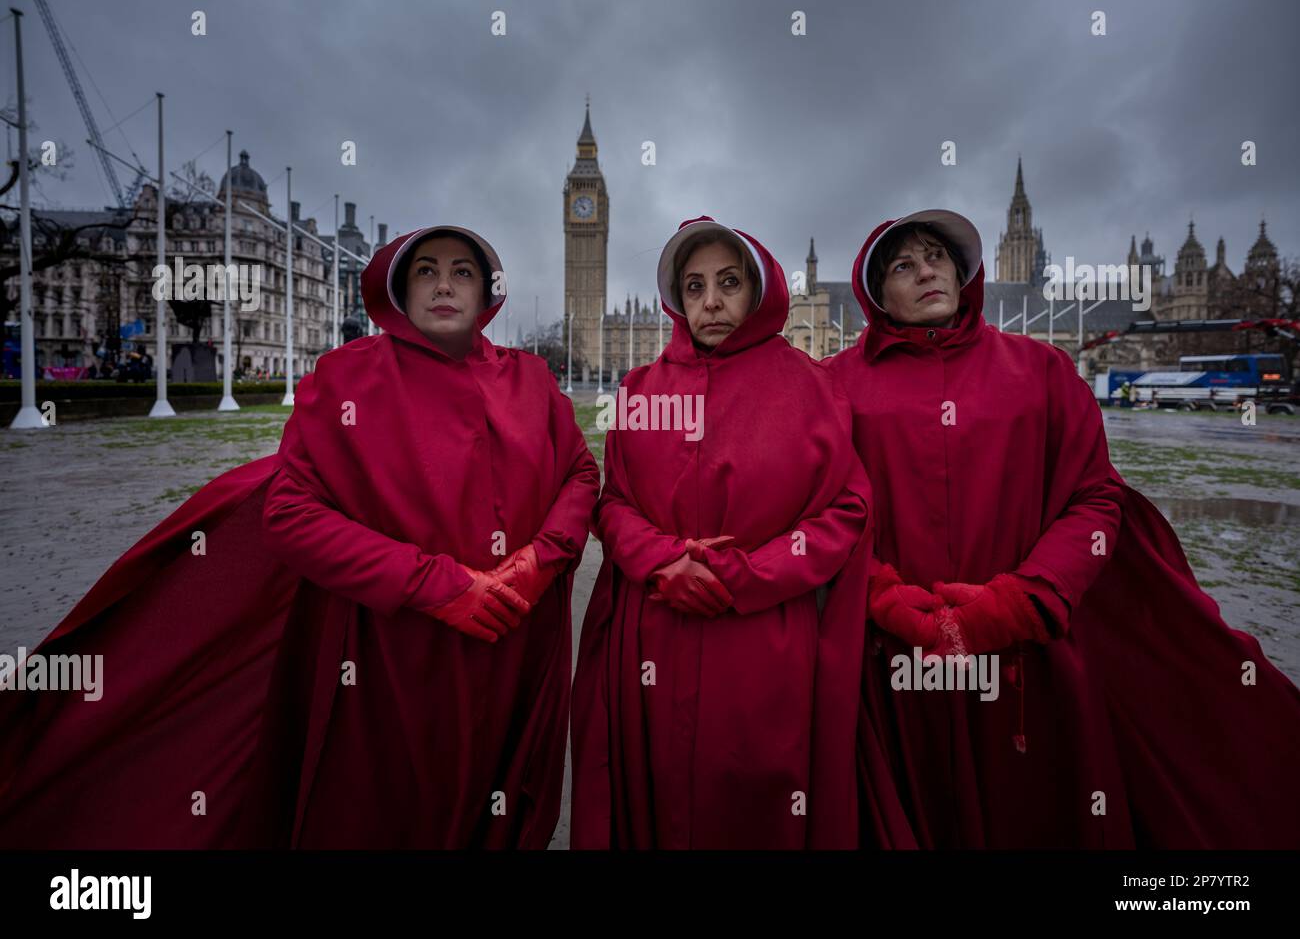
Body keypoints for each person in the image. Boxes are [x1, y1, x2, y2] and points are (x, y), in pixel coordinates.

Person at [0, 224, 599, 849]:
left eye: (462, 271)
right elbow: (291, 512)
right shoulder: (348, 377)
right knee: (386, 809)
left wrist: (539, 561)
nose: (444, 283)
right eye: (425, 269)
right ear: (397, 286)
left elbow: (580, 474)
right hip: (388, 649)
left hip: (514, 640)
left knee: (498, 802)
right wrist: (436, 584)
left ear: (486, 293)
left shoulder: (531, 381)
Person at [826, 209, 1300, 848]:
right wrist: (884, 597)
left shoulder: (1041, 368)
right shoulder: (836, 384)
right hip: (893, 661)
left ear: (965, 271)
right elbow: (821, 505)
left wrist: (1023, 601)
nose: (926, 271)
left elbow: (1094, 497)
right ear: (876, 293)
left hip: (1024, 656)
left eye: (936, 255)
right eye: (902, 265)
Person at [571, 217, 905, 849]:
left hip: (765, 634)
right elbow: (613, 503)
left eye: (728, 282)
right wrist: (663, 562)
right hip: (657, 631)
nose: (712, 302)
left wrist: (749, 575)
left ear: (758, 290)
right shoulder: (640, 391)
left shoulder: (810, 386)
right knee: (659, 793)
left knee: (759, 798)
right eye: (694, 287)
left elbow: (845, 510)